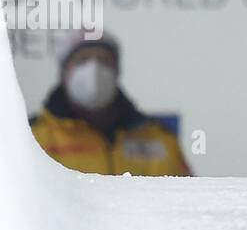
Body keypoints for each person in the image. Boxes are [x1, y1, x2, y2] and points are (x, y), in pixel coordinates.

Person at [28, 31, 192, 177]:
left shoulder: (158, 138)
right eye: (82, 60)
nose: (94, 69)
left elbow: (187, 204)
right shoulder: (31, 139)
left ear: (117, 71)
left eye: (104, 60)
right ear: (64, 72)